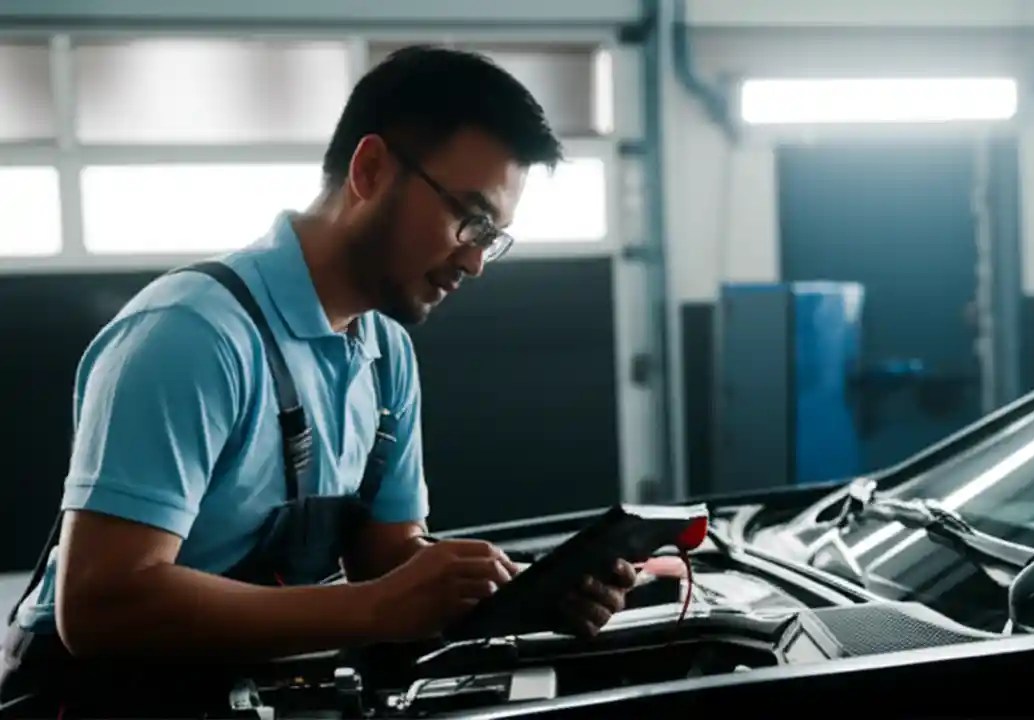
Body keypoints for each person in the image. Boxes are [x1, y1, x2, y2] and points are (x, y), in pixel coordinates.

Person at [0, 45, 636, 716]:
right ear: (370, 169)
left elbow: (389, 560)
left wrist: (519, 599)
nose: (475, 262)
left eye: (494, 238)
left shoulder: (385, 351)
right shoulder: (191, 336)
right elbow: (100, 605)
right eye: (470, 220)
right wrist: (371, 607)